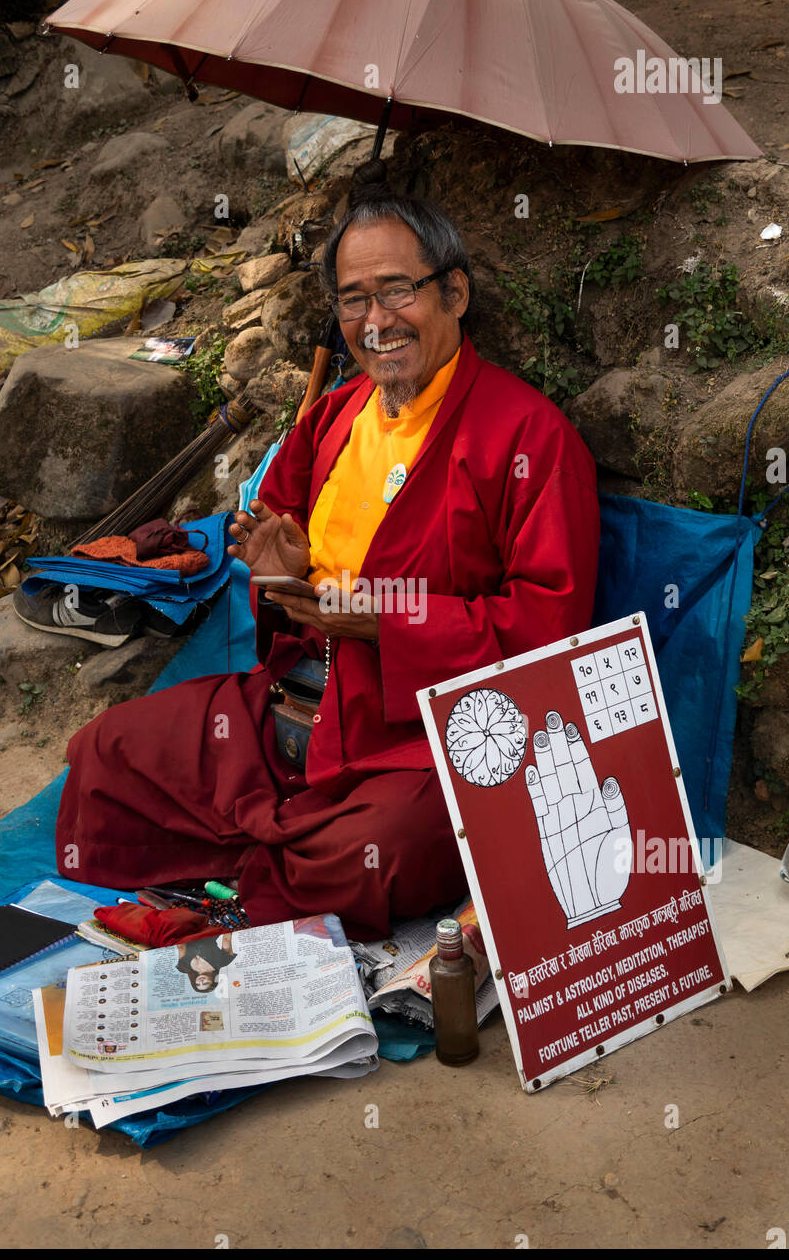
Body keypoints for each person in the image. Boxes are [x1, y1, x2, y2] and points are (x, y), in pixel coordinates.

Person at [55, 161, 600, 941]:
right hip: (293, 705)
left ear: (454, 294)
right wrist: (276, 576)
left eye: (396, 290)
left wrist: (389, 623)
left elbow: (548, 631)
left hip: (418, 737)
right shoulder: (335, 416)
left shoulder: (528, 438)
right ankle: (268, 853)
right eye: (352, 299)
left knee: (379, 853)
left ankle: (249, 867)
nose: (375, 321)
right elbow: (275, 560)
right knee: (106, 753)